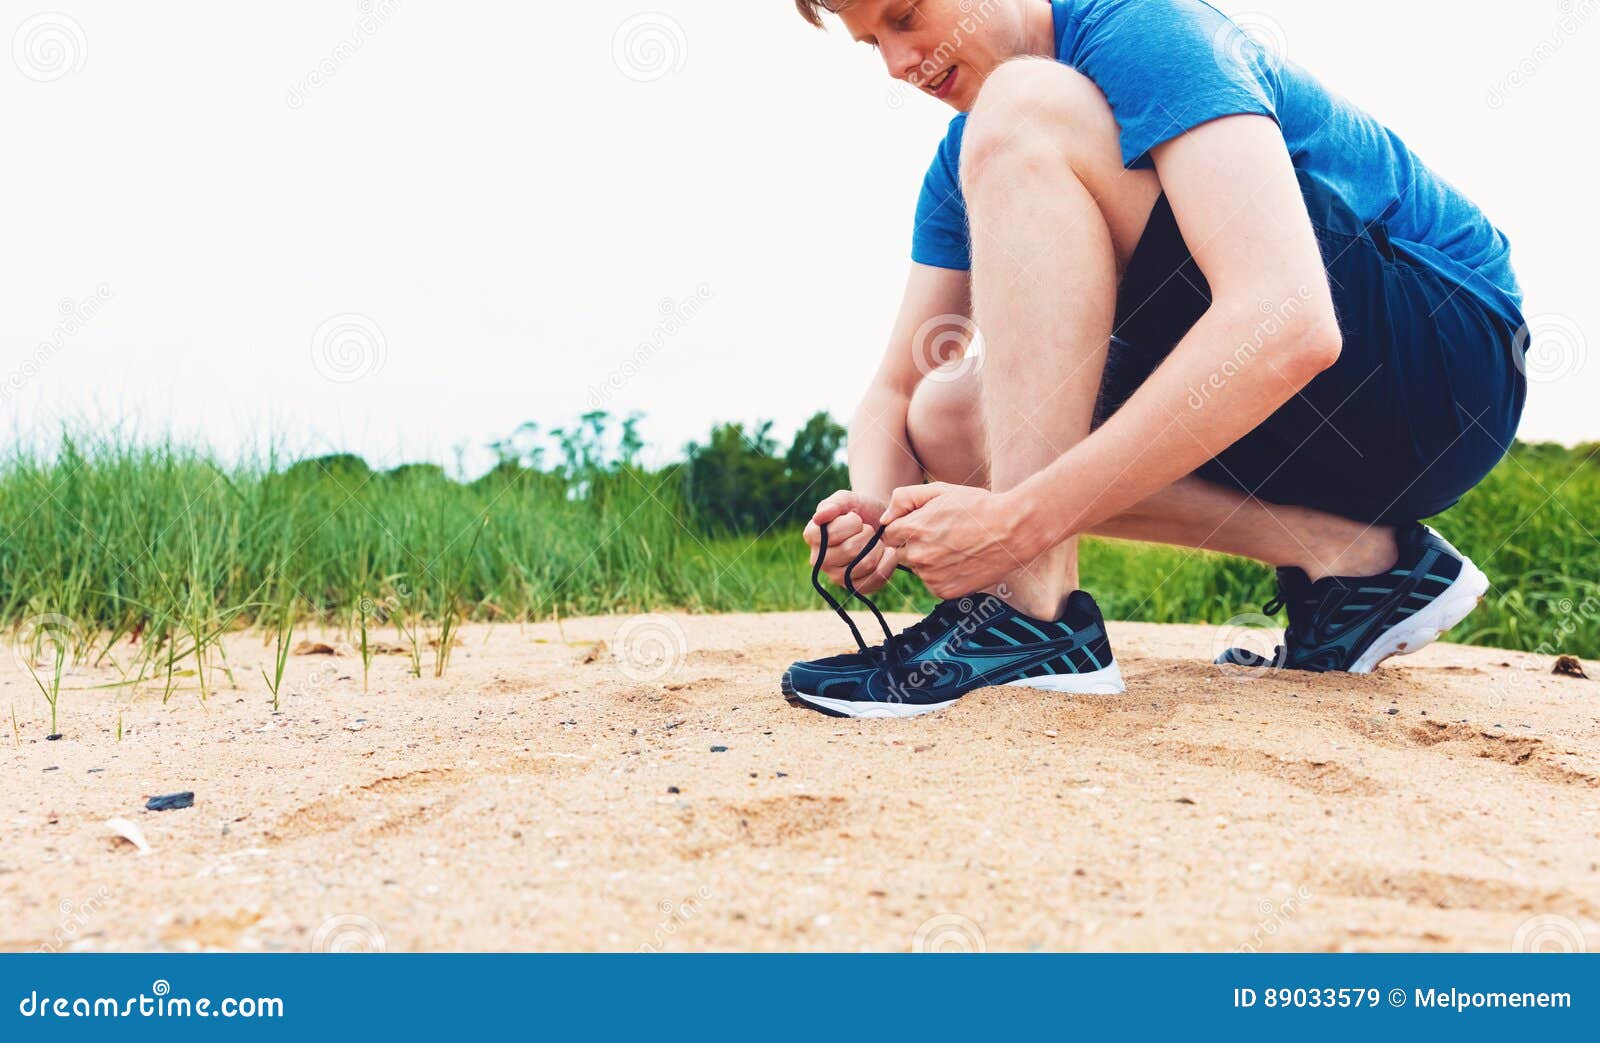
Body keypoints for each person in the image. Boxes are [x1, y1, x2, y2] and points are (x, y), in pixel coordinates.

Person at [780, 0, 1526, 719]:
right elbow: (892, 394)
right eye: (871, 42)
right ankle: (1359, 564)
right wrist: (875, 517)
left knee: (1022, 105)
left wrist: (1016, 526)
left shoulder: (1136, 29)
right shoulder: (976, 151)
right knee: (945, 416)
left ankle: (1033, 614)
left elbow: (1290, 320)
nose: (897, 63)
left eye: (904, 17)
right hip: (1315, 426)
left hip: (1450, 369)